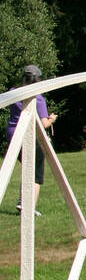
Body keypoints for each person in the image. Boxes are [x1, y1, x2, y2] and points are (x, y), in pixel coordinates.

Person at [5, 65, 57, 215]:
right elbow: (43, 124)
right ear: (38, 79)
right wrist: (52, 119)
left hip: (12, 134)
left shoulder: (13, 92)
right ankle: (28, 206)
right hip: (30, 136)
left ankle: (23, 201)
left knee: (27, 167)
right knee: (36, 172)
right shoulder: (38, 99)